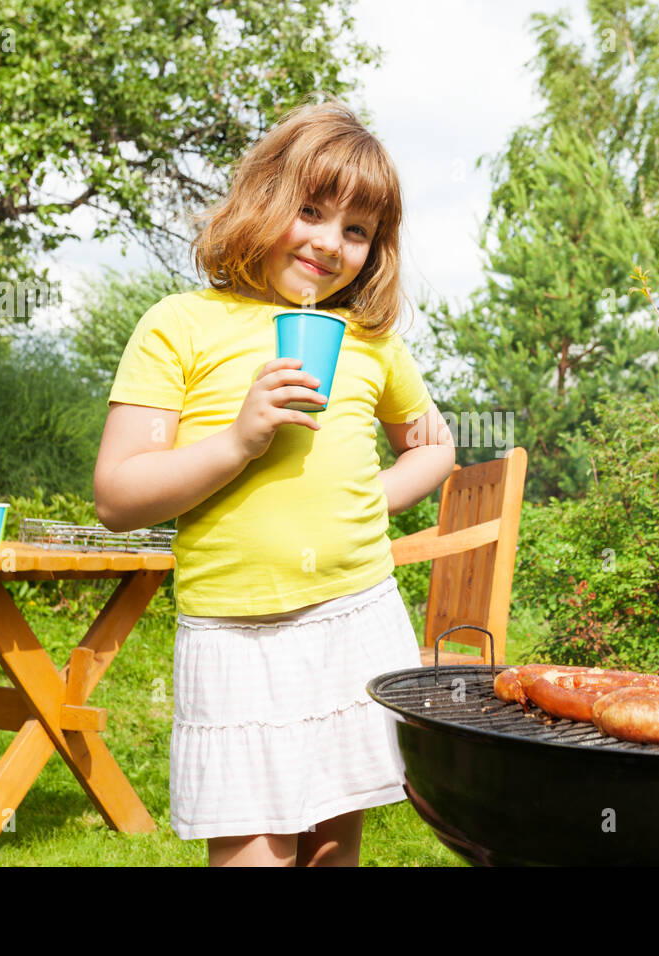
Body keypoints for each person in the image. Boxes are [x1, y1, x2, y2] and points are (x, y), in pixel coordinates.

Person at [93, 98, 456, 866]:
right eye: (312, 211)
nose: (329, 244)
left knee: (332, 849)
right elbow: (119, 496)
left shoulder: (369, 342)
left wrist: (371, 500)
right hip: (235, 637)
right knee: (255, 853)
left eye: (356, 231)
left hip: (354, 617)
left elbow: (433, 447)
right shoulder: (179, 325)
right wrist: (239, 440)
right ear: (263, 197)